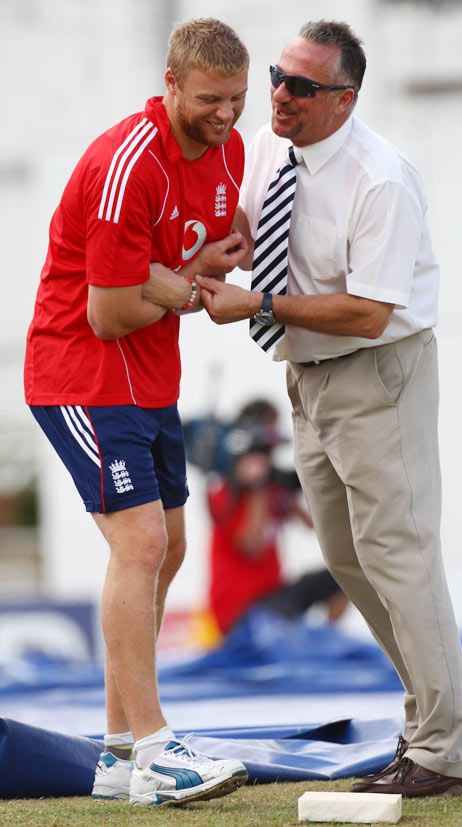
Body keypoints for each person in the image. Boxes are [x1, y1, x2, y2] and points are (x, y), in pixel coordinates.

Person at [196, 19, 462, 797]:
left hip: (377, 372)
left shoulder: (380, 178)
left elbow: (368, 311)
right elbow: (253, 230)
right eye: (278, 77)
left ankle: (444, 750)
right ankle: (436, 724)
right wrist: (217, 253)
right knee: (348, 557)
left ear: (344, 99)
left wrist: (258, 301)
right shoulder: (269, 144)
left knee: (398, 553)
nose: (279, 95)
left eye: (301, 86)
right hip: (307, 375)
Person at [24, 18, 250, 807]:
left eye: (237, 98)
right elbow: (110, 312)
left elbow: (190, 259)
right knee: (142, 541)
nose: (226, 114)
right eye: (211, 99)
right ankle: (156, 750)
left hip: (151, 378)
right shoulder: (130, 164)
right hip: (80, 372)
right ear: (171, 84)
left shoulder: (230, 150)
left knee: (171, 545)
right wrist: (183, 286)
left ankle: (119, 755)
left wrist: (182, 273)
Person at [202, 399, 348, 634]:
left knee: (346, 575)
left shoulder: (274, 490)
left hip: (275, 598)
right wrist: (258, 487)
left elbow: (316, 526)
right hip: (241, 613)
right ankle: (315, 643)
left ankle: (326, 640)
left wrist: (300, 487)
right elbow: (252, 545)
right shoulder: (225, 494)